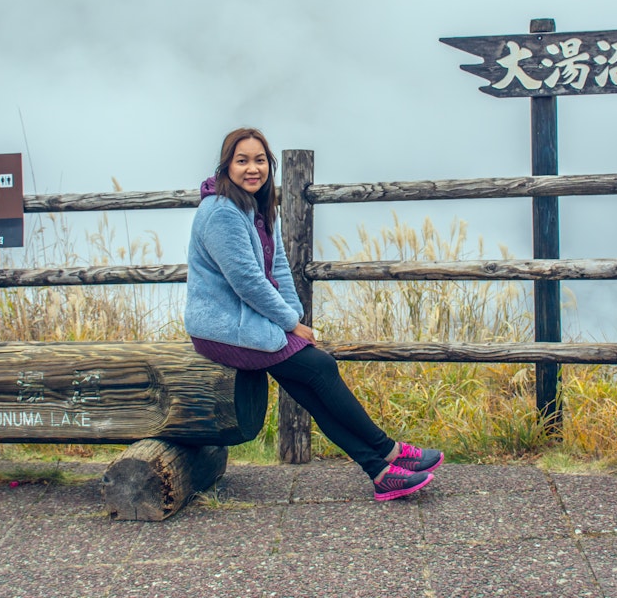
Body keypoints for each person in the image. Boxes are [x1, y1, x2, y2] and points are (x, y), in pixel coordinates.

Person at [185, 127, 443, 501]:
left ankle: (381, 472)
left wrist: (293, 313)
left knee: (311, 383)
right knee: (319, 368)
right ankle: (387, 451)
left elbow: (280, 268)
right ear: (226, 166)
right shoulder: (221, 213)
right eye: (242, 161)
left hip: (250, 323)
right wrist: (291, 324)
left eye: (259, 160)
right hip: (222, 329)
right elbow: (249, 283)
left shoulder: (257, 207)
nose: (252, 169)